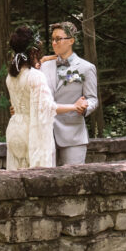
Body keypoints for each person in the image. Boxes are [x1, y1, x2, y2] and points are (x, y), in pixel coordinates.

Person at [43, 21, 96, 165]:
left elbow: (93, 99)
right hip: (45, 136)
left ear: (71, 40)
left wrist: (85, 106)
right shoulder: (44, 66)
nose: (54, 43)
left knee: (73, 182)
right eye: (53, 39)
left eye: (58, 39)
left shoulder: (86, 68)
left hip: (73, 135)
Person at [4, 26, 56, 170]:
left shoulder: (10, 76)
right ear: (33, 51)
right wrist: (74, 106)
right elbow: (48, 108)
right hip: (30, 132)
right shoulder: (35, 76)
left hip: (14, 130)